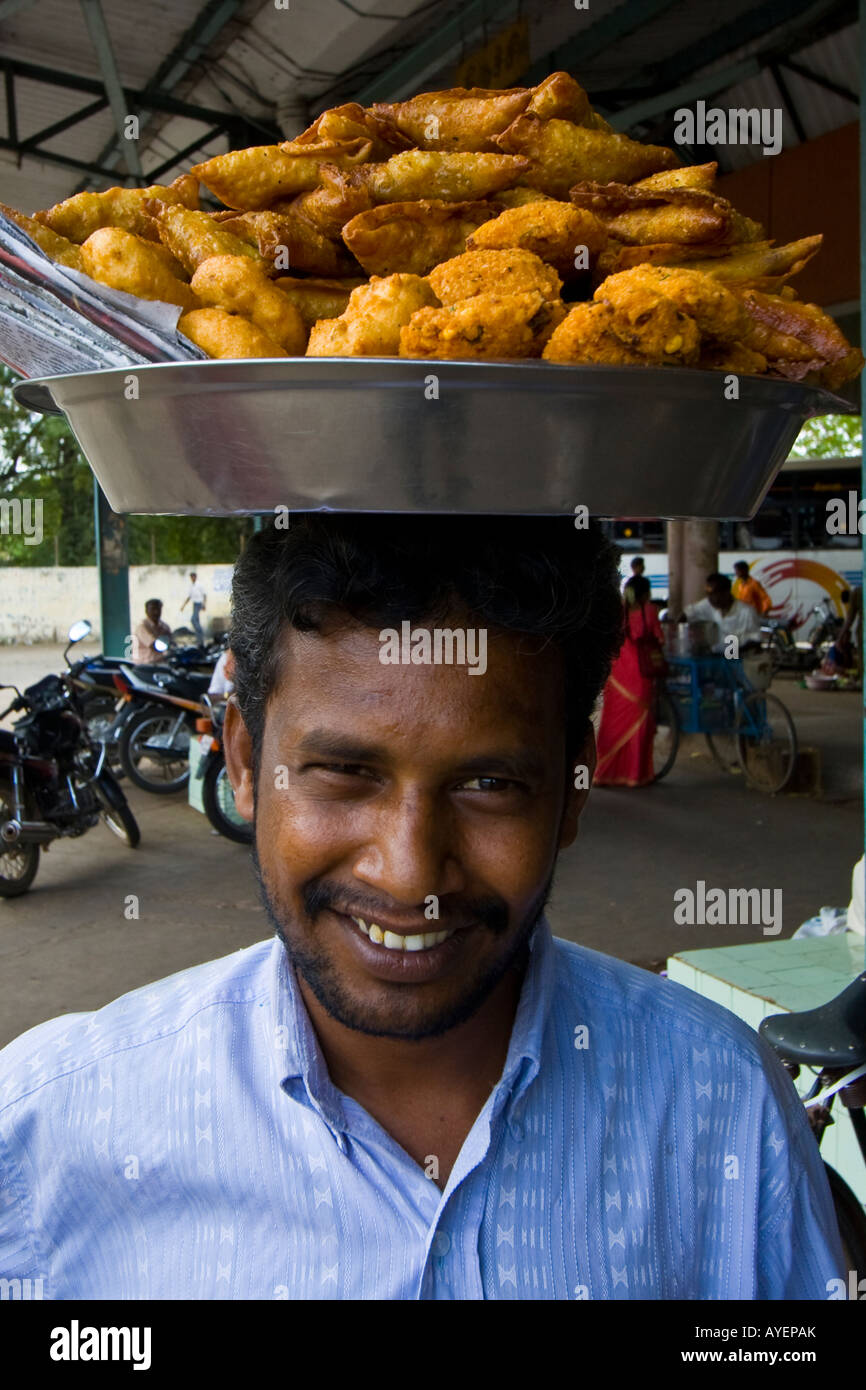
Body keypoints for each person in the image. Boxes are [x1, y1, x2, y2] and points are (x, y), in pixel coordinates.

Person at [0, 516, 844, 1299]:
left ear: (573, 785)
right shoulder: (48, 1132)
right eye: (345, 773)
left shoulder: (725, 1110)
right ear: (247, 763)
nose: (410, 876)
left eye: (488, 784)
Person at [594, 575, 665, 788]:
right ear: (646, 593)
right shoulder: (650, 611)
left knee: (613, 722)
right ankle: (636, 774)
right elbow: (659, 638)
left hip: (616, 675)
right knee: (641, 721)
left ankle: (604, 772)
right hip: (640, 674)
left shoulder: (618, 611)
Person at [684, 572, 762, 653]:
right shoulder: (707, 604)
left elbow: (756, 641)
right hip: (716, 658)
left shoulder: (746, 612)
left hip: (740, 658)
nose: (711, 599)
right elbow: (687, 614)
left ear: (727, 592)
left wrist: (734, 652)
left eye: (715, 594)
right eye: (708, 594)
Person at [131, 598, 171, 665]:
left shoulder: (165, 627)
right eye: (153, 609)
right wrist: (169, 645)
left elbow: (171, 642)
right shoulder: (142, 627)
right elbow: (154, 646)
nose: (156, 612)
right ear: (146, 611)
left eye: (158, 609)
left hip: (160, 663)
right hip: (144, 665)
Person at [181, 571, 206, 639]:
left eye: (193, 577)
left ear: (195, 577)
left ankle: (200, 632)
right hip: (195, 604)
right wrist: (183, 606)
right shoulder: (191, 586)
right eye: (191, 577)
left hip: (199, 603)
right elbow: (189, 597)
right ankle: (199, 637)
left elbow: (204, 595)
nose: (192, 578)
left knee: (193, 619)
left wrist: (204, 604)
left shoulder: (199, 585)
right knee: (196, 620)